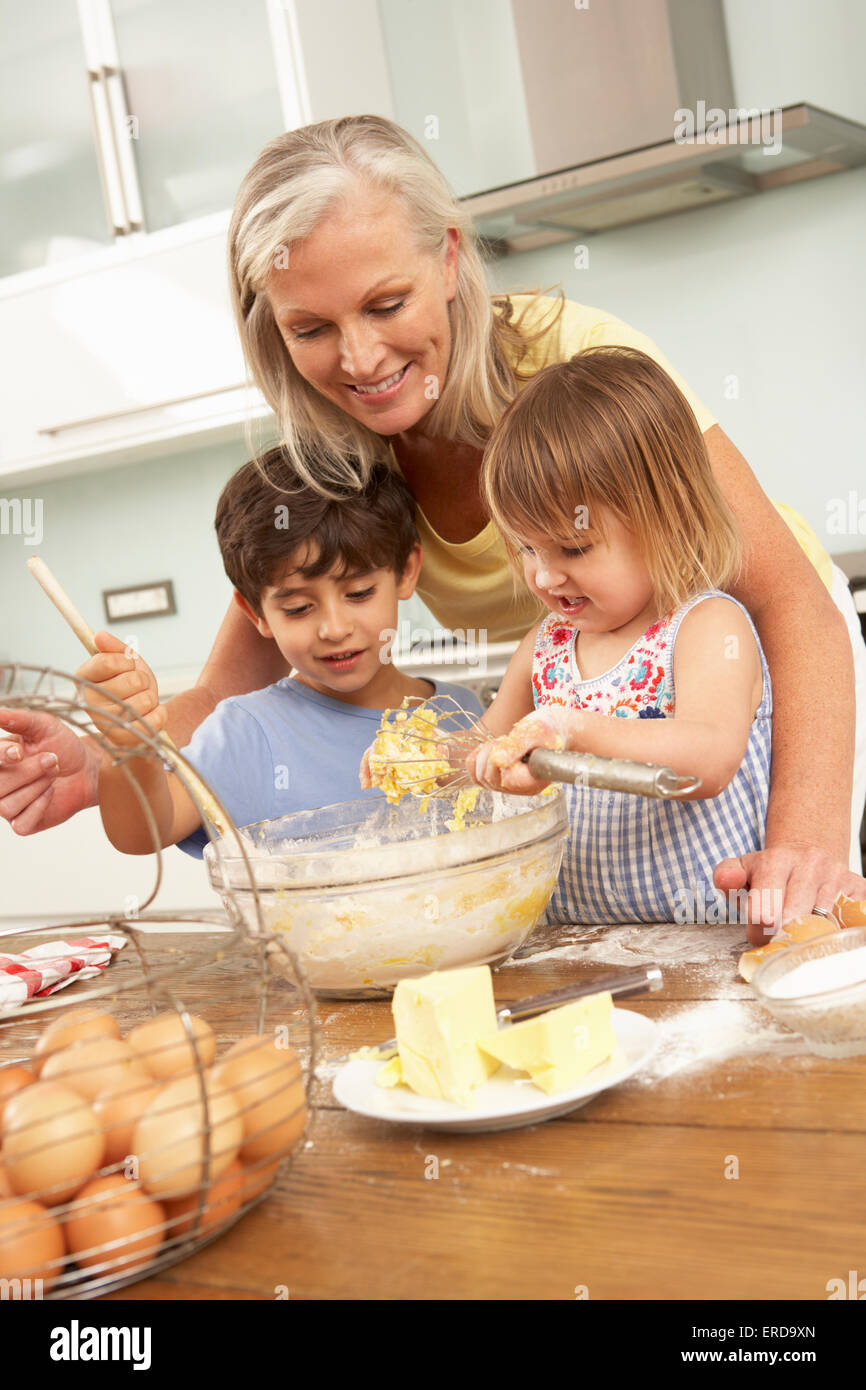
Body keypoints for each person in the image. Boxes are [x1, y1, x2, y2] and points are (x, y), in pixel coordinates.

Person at [2, 115, 864, 940]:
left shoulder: (580, 370)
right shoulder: (335, 445)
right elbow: (227, 692)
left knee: (783, 925)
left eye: (385, 303)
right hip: (590, 681)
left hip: (762, 658)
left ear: (449, 257)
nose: (360, 360)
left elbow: (794, 610)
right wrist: (101, 759)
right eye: (311, 327)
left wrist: (805, 847)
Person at [466, 345, 772, 925]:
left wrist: (574, 730)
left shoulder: (705, 627)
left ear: (669, 516)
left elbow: (708, 760)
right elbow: (487, 741)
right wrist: (428, 761)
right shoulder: (546, 646)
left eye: (573, 548)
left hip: (710, 942)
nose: (544, 575)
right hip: (576, 946)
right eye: (528, 547)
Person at [75, 452, 482, 856]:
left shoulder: (460, 711)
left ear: (406, 571)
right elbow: (145, 830)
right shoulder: (248, 732)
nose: (335, 629)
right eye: (298, 609)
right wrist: (127, 746)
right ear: (256, 613)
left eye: (359, 593)